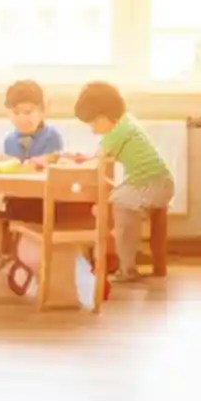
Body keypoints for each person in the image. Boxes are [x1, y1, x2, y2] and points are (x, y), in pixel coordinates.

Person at [72, 80, 174, 281]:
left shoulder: (116, 133)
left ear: (104, 117)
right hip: (161, 182)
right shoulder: (128, 122)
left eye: (93, 123)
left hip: (150, 185)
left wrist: (78, 159)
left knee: (116, 203)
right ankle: (127, 256)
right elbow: (100, 156)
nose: (92, 130)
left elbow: (97, 160)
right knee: (117, 196)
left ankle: (126, 267)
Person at [1, 79, 64, 161]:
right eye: (16, 113)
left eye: (28, 112)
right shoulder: (9, 141)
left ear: (42, 111)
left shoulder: (50, 137)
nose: (22, 119)